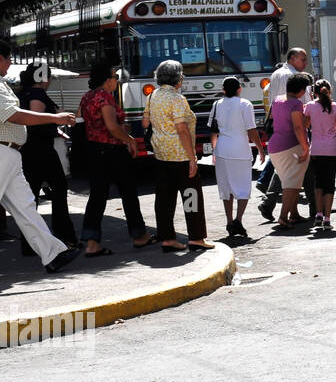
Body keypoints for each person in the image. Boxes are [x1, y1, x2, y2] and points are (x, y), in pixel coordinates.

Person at [0, 39, 81, 273]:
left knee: (26, 208)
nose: (11, 64)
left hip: (9, 153)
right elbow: (13, 115)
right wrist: (55, 118)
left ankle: (53, 254)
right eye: (9, 58)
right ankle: (53, 253)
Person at [78, 60, 154, 257]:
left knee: (97, 196)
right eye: (115, 77)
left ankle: (91, 242)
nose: (117, 81)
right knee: (128, 193)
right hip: (112, 151)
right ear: (107, 80)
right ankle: (139, 235)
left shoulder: (87, 97)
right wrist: (130, 139)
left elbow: (80, 119)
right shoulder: (105, 98)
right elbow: (112, 127)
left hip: (94, 150)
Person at [145, 60, 213, 252]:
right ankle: (196, 237)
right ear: (176, 78)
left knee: (164, 199)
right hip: (180, 155)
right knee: (191, 196)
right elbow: (182, 129)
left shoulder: (153, 95)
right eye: (182, 74)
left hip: (161, 154)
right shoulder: (177, 99)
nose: (183, 77)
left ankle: (167, 238)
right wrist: (192, 158)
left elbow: (144, 122)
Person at [17, 62, 78, 255]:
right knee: (59, 191)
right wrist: (56, 119)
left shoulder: (22, 93)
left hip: (28, 150)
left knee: (30, 198)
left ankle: (30, 244)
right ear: (43, 78)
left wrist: (55, 129)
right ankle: (64, 238)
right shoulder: (37, 94)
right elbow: (36, 119)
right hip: (41, 150)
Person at [259, 48, 313, 220]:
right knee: (294, 170)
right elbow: (297, 103)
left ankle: (291, 209)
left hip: (281, 124)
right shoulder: (290, 77)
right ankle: (314, 207)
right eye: (302, 59)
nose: (305, 63)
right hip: (292, 125)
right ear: (292, 58)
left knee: (287, 170)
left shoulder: (277, 73)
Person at [209, 77, 265, 237]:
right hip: (240, 150)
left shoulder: (216, 104)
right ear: (239, 89)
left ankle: (229, 221)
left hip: (222, 150)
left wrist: (214, 150)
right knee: (242, 188)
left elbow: (213, 130)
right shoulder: (245, 104)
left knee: (226, 189)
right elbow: (251, 130)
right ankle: (238, 220)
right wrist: (260, 149)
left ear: (223, 90)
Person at [267, 73, 312, 229]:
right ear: (301, 90)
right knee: (292, 184)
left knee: (290, 181)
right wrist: (306, 147)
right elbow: (298, 127)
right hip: (291, 145)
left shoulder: (277, 100)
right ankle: (283, 217)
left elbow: (276, 118)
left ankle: (293, 214)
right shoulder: (296, 103)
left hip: (274, 146)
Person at [303, 79, 336, 231]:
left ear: (314, 92)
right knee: (330, 184)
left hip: (317, 149)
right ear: (329, 90)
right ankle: (327, 219)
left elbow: (306, 125)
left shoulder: (309, 106)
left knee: (318, 183)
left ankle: (318, 214)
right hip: (332, 149)